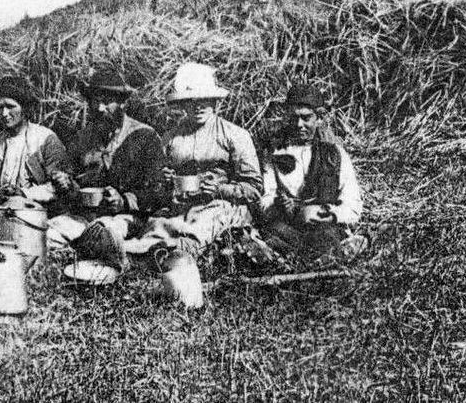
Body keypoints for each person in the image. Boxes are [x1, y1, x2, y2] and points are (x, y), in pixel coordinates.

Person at [127, 62, 263, 306]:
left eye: (206, 99)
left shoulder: (235, 136)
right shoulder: (171, 138)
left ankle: (179, 263)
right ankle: (139, 261)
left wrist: (220, 189)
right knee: (158, 226)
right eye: (191, 101)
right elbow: (155, 187)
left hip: (221, 207)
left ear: (216, 101)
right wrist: (165, 182)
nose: (199, 106)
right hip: (180, 207)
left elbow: (254, 188)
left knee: (201, 225)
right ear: (181, 105)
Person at [46, 70, 167, 279]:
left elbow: (159, 191)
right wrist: (66, 183)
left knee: (107, 231)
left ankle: (117, 268)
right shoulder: (83, 138)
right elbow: (71, 178)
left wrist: (125, 201)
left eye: (107, 102)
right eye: (95, 102)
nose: (100, 108)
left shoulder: (145, 137)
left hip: (127, 218)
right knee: (47, 234)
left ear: (122, 103)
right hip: (85, 216)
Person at [253, 85, 366, 267]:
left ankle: (321, 262)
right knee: (272, 239)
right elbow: (265, 198)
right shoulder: (272, 153)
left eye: (306, 118)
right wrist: (281, 207)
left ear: (319, 118)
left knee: (328, 238)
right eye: (293, 118)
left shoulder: (335, 154)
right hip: (285, 227)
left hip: (323, 226)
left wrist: (329, 214)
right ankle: (285, 263)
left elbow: (353, 203)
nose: (299, 125)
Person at [0, 77, 68, 203]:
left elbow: (58, 186)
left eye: (11, 107)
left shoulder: (45, 139)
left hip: (38, 213)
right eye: (0, 107)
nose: (4, 113)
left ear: (25, 108)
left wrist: (23, 193)